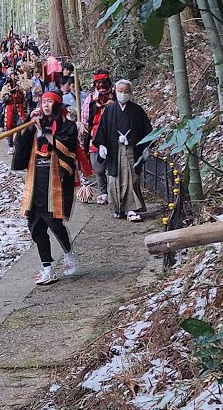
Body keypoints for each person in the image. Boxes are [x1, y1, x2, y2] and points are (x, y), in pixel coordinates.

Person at [11, 91, 80, 285]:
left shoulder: (68, 125)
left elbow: (68, 148)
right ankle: (48, 269)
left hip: (56, 180)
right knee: (35, 225)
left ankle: (68, 252)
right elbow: (21, 144)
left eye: (50, 102)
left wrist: (46, 132)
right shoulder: (36, 123)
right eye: (44, 102)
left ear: (57, 104)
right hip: (36, 180)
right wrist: (28, 123)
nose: (46, 105)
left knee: (54, 223)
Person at [92, 79, 153, 222]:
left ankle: (131, 209)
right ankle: (118, 208)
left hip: (131, 149)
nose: (123, 94)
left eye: (126, 91)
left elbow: (147, 130)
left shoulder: (137, 110)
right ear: (115, 91)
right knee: (114, 180)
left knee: (132, 178)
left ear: (130, 92)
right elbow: (102, 129)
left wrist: (145, 147)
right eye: (120, 91)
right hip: (114, 150)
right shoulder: (110, 109)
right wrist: (102, 145)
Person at [79, 71, 114, 204]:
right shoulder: (90, 99)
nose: (102, 86)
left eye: (104, 83)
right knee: (98, 167)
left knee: (114, 166)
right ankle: (103, 192)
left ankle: (114, 192)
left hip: (113, 136)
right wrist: (82, 131)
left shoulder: (115, 97)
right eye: (99, 83)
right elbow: (85, 118)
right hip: (95, 135)